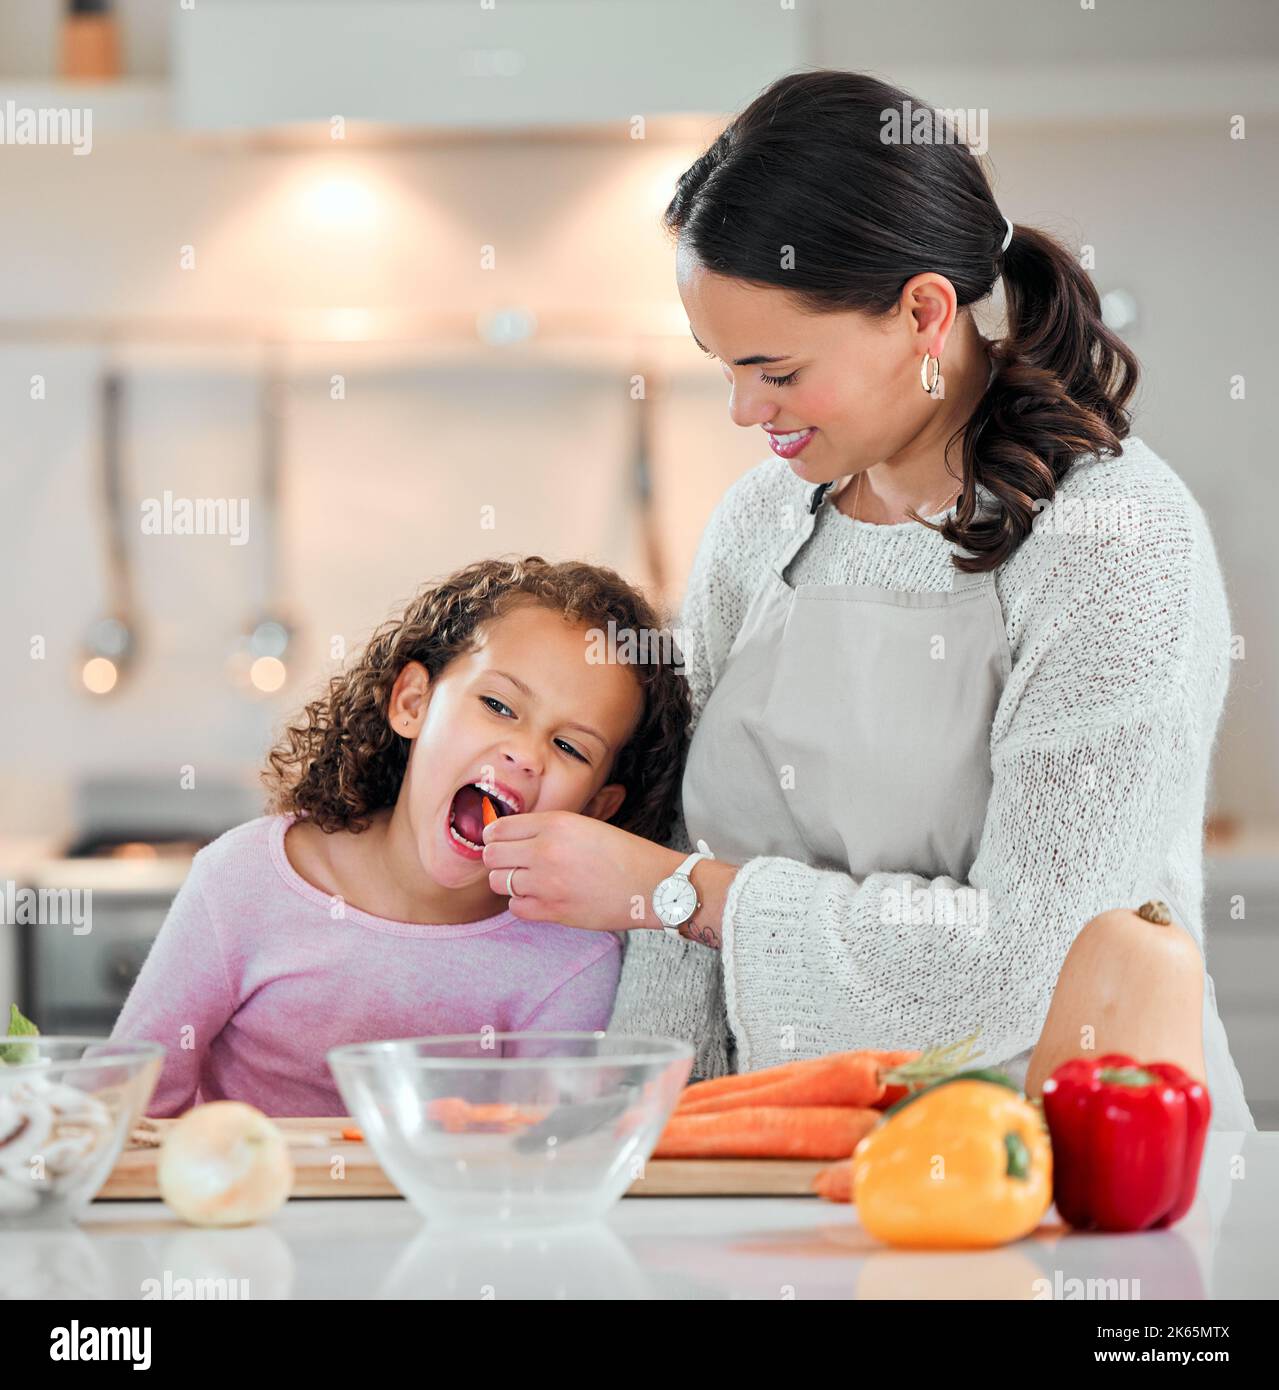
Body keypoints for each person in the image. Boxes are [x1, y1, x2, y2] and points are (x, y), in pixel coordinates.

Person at [479, 69, 1256, 1130]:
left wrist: (680, 894)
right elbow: (671, 861)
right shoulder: (762, 521)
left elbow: (1029, 961)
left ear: (924, 312)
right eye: (723, 367)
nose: (746, 409)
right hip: (766, 1153)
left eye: (776, 368)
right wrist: (637, 1130)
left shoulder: (1114, 541)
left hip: (1047, 1166)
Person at [110, 556, 690, 1116]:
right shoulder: (241, 880)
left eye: (569, 747)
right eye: (497, 704)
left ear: (595, 809)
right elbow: (128, 1109)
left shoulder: (573, 958)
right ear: (412, 703)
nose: (526, 754)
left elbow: (539, 1155)